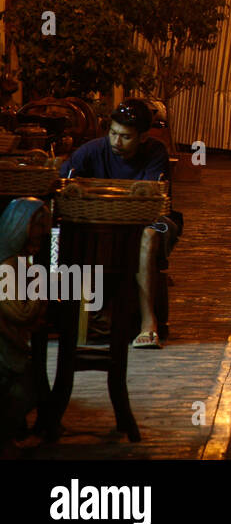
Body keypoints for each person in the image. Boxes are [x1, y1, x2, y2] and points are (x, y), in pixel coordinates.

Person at [59, 99, 179, 350]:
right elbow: (63, 178)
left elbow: (151, 198)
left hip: (156, 220)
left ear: (142, 137)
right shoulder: (92, 150)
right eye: (113, 133)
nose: (116, 142)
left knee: (148, 234)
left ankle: (149, 323)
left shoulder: (155, 151)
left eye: (125, 137)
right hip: (106, 219)